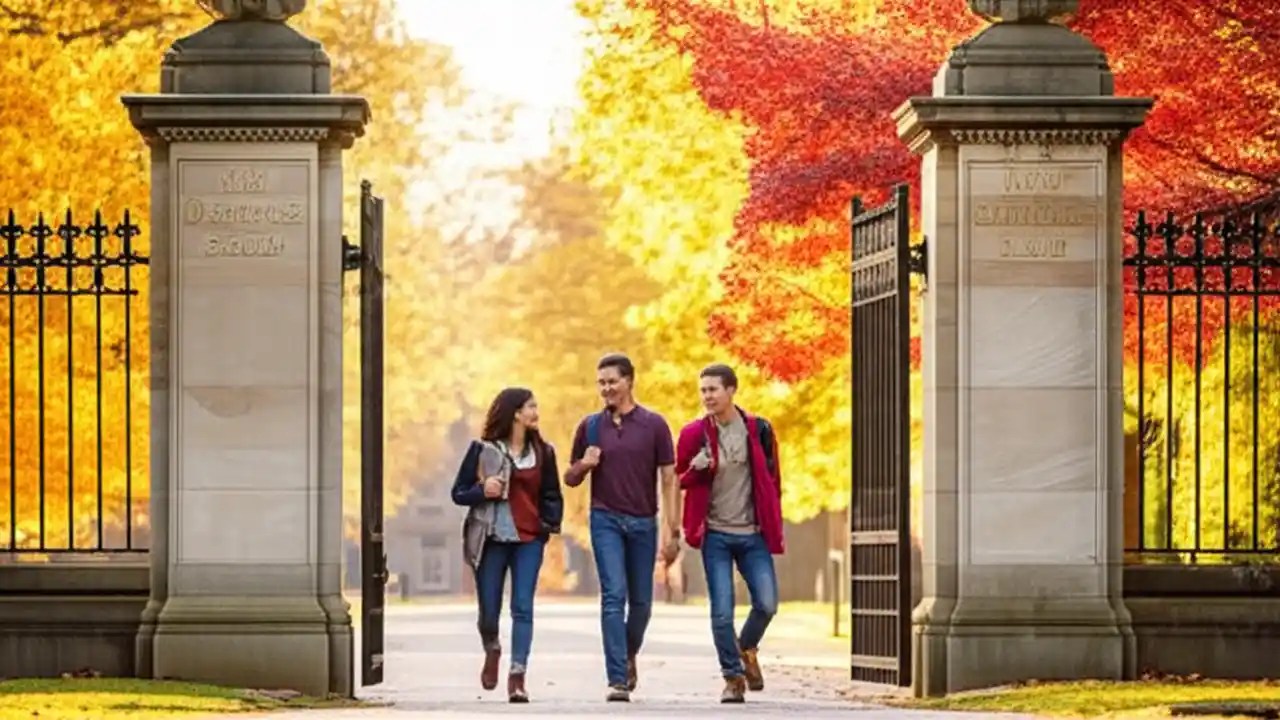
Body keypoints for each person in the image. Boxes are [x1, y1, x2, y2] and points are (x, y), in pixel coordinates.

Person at [564, 352, 680, 702]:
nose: (606, 388)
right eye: (601, 382)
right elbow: (570, 477)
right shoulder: (590, 426)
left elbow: (669, 478)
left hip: (644, 521)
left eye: (612, 381)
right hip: (605, 519)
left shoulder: (654, 425)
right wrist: (585, 464)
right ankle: (617, 678)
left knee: (642, 603)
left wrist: (672, 530)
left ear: (630, 380)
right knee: (613, 596)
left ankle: (628, 654)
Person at [674, 363, 784, 703]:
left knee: (766, 604)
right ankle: (733, 677)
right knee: (721, 611)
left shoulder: (759, 429)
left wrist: (771, 521)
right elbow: (678, 479)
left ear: (731, 390)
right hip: (716, 534)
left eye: (713, 389)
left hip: (752, 533)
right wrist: (697, 467)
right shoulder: (694, 434)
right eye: (703, 390)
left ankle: (746, 647)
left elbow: (773, 480)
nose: (707, 396)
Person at [451, 388, 563, 703]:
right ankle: (493, 648)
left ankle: (518, 676)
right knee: (489, 610)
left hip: (529, 539)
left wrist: (547, 525)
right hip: (492, 539)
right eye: (531, 406)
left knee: (523, 607)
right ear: (515, 412)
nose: (536, 412)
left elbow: (552, 494)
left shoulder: (544, 452)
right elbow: (458, 493)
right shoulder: (482, 450)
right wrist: (481, 489)